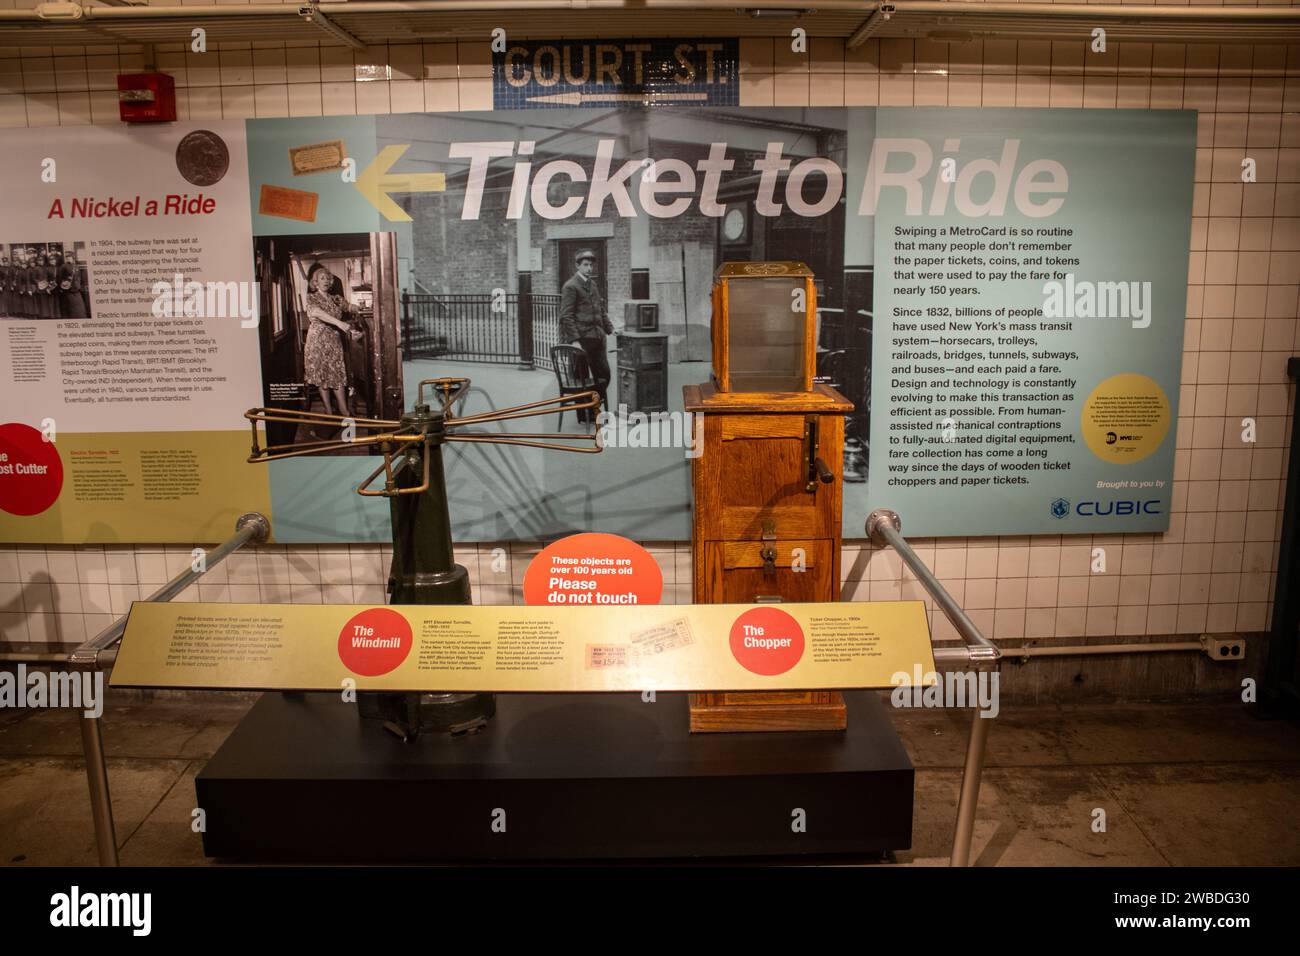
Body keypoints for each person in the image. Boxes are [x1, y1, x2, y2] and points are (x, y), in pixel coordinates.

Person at [557, 249, 612, 422]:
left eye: (591, 265)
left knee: (604, 375)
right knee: (580, 379)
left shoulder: (592, 284)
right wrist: (574, 341)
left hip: (596, 338)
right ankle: (585, 414)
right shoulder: (570, 286)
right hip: (581, 341)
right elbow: (566, 316)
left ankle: (593, 405)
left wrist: (610, 329)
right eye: (585, 265)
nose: (589, 268)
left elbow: (600, 310)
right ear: (577, 266)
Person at [303, 261, 352, 425]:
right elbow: (317, 313)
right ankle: (329, 411)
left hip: (333, 340)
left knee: (337, 374)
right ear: (315, 282)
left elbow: (350, 307)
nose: (325, 280)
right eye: (321, 278)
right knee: (322, 376)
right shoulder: (311, 298)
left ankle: (344, 411)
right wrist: (339, 323)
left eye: (327, 278)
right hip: (318, 340)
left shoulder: (336, 298)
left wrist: (358, 308)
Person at [56, 251, 87, 319]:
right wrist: (63, 285)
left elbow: (79, 277)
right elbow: (59, 278)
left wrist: (79, 285)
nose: (68, 258)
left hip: (77, 289)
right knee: (72, 306)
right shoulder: (63, 266)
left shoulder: (76, 266)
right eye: (67, 257)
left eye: (69, 257)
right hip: (69, 290)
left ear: (73, 257)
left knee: (80, 306)